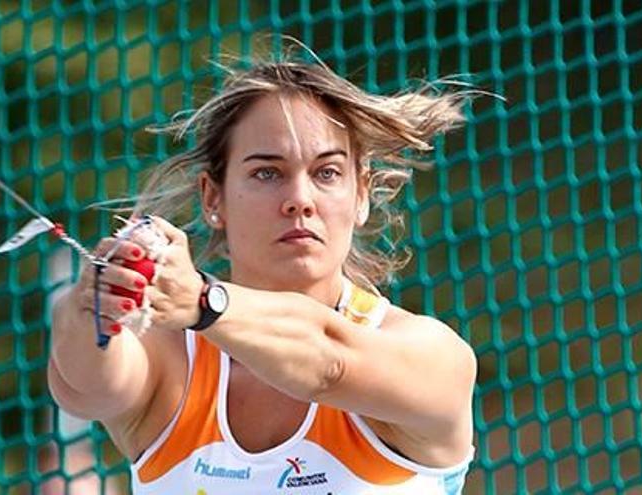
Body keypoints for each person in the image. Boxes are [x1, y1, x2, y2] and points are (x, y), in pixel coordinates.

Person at [48, 52, 479, 494]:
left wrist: (203, 301)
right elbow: (83, 388)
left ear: (362, 194)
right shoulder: (170, 360)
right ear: (212, 198)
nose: (299, 199)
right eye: (267, 172)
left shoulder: (432, 356)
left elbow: (328, 362)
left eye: (327, 172)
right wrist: (90, 308)